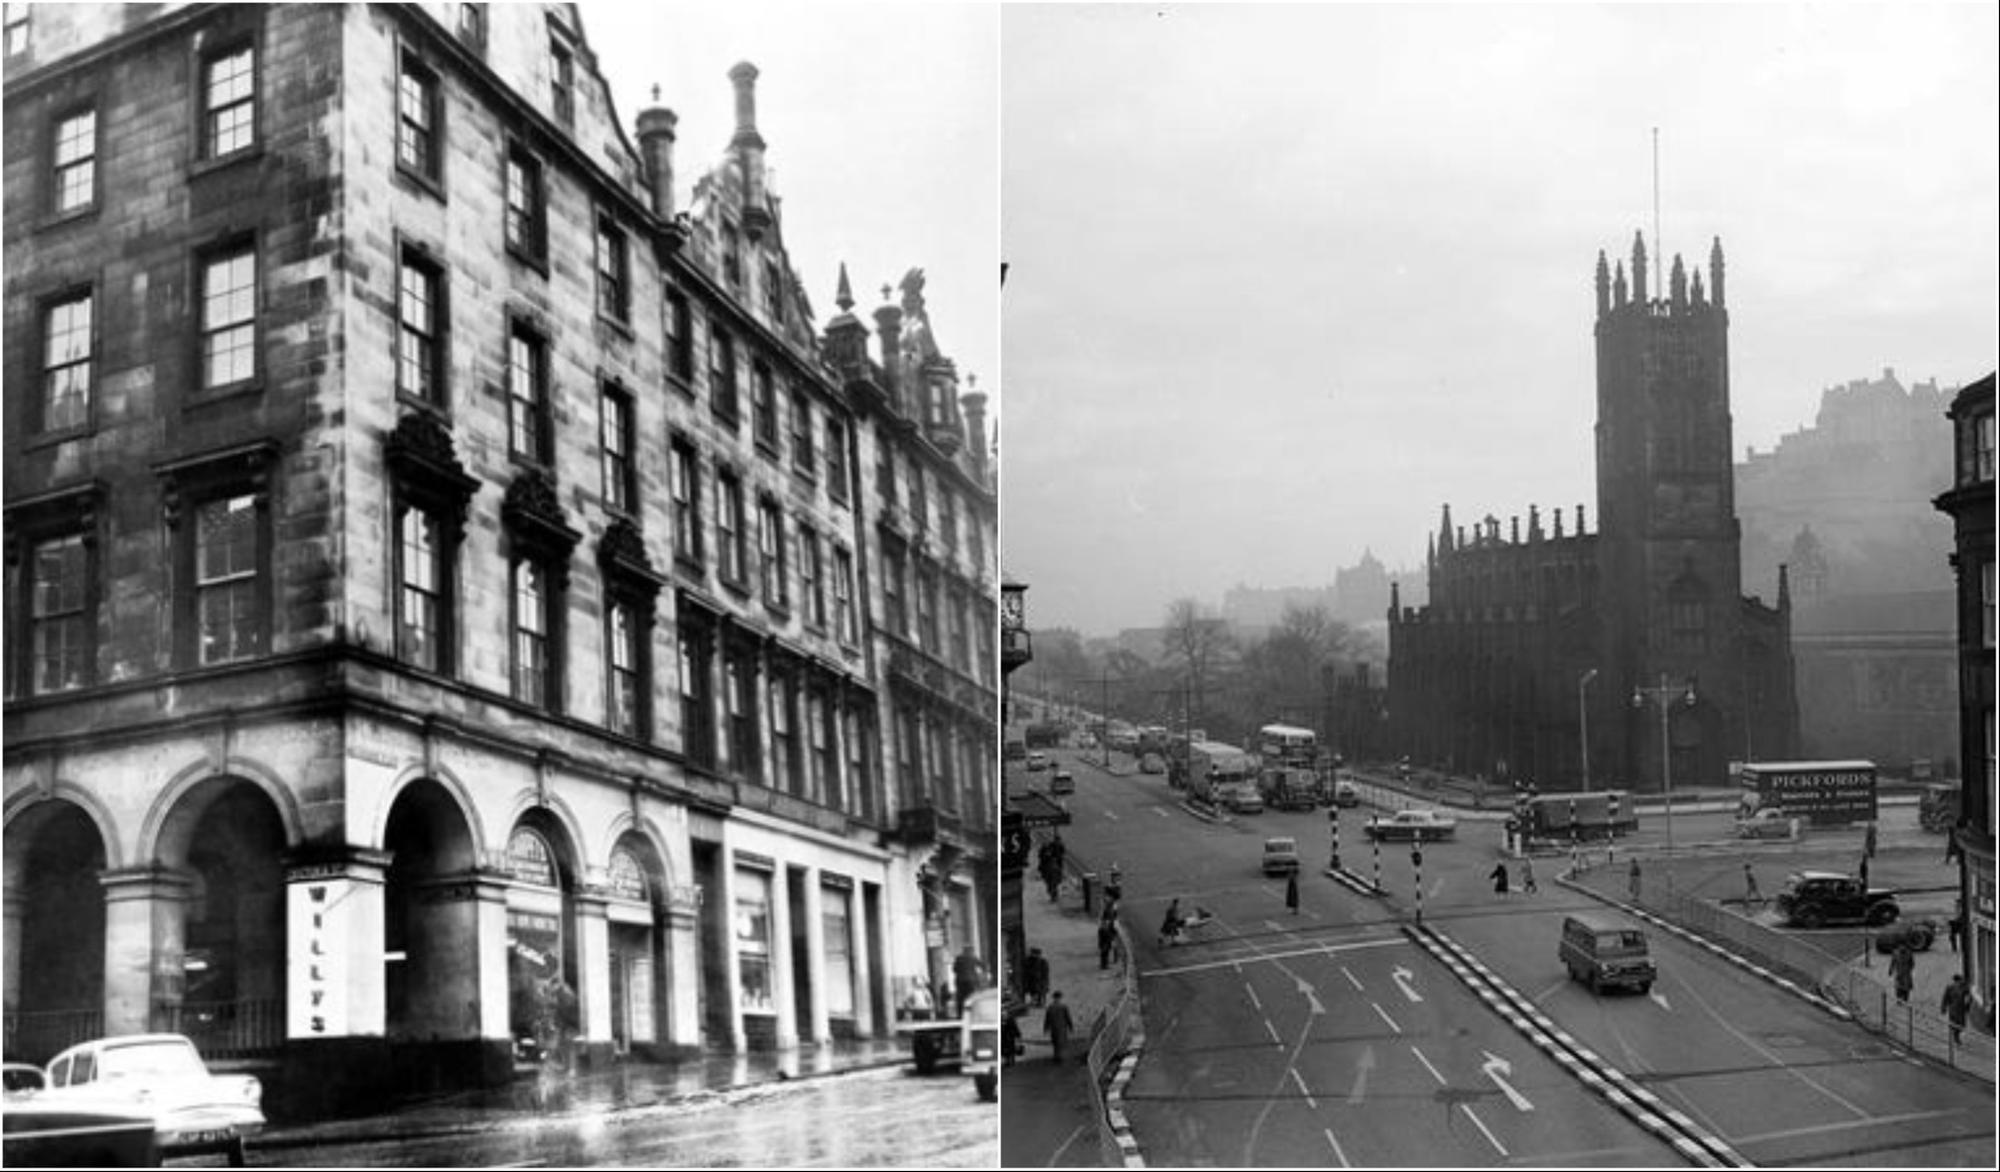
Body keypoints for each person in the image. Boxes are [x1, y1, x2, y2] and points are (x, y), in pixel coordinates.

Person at [1043, 991, 1075, 1063]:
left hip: (1055, 1028)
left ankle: (1057, 1057)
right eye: (1058, 998)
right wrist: (1071, 1027)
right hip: (1061, 1028)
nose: (1058, 999)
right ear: (1059, 998)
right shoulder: (1063, 1007)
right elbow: (1068, 1018)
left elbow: (1047, 1020)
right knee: (1060, 1043)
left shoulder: (1051, 1007)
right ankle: (1059, 1057)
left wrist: (1046, 1028)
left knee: (1056, 1043)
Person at [953, 947, 986, 1017]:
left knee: (961, 999)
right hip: (971, 981)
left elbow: (954, 969)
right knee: (972, 997)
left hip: (960, 982)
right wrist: (982, 975)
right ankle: (973, 1013)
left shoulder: (959, 958)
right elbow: (982, 966)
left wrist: (961, 971)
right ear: (971, 951)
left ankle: (960, 1014)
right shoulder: (973, 958)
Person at [1942, 974, 1972, 1044]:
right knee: (1957, 1023)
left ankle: (1956, 1036)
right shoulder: (1952, 987)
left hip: (1957, 1009)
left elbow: (1945, 998)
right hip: (1957, 1009)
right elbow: (1946, 998)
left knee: (1958, 1024)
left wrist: (1944, 1008)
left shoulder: (1962, 987)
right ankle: (1956, 1037)